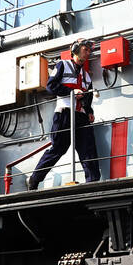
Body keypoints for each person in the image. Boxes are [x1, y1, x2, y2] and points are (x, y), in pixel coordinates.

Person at [27, 39, 102, 189]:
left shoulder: (86, 76)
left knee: (88, 149)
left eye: (89, 50)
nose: (88, 53)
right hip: (64, 114)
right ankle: (35, 179)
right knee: (58, 148)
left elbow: (87, 98)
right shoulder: (62, 65)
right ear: (75, 49)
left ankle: (93, 183)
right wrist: (71, 92)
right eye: (85, 49)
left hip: (81, 116)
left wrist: (90, 112)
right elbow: (51, 86)